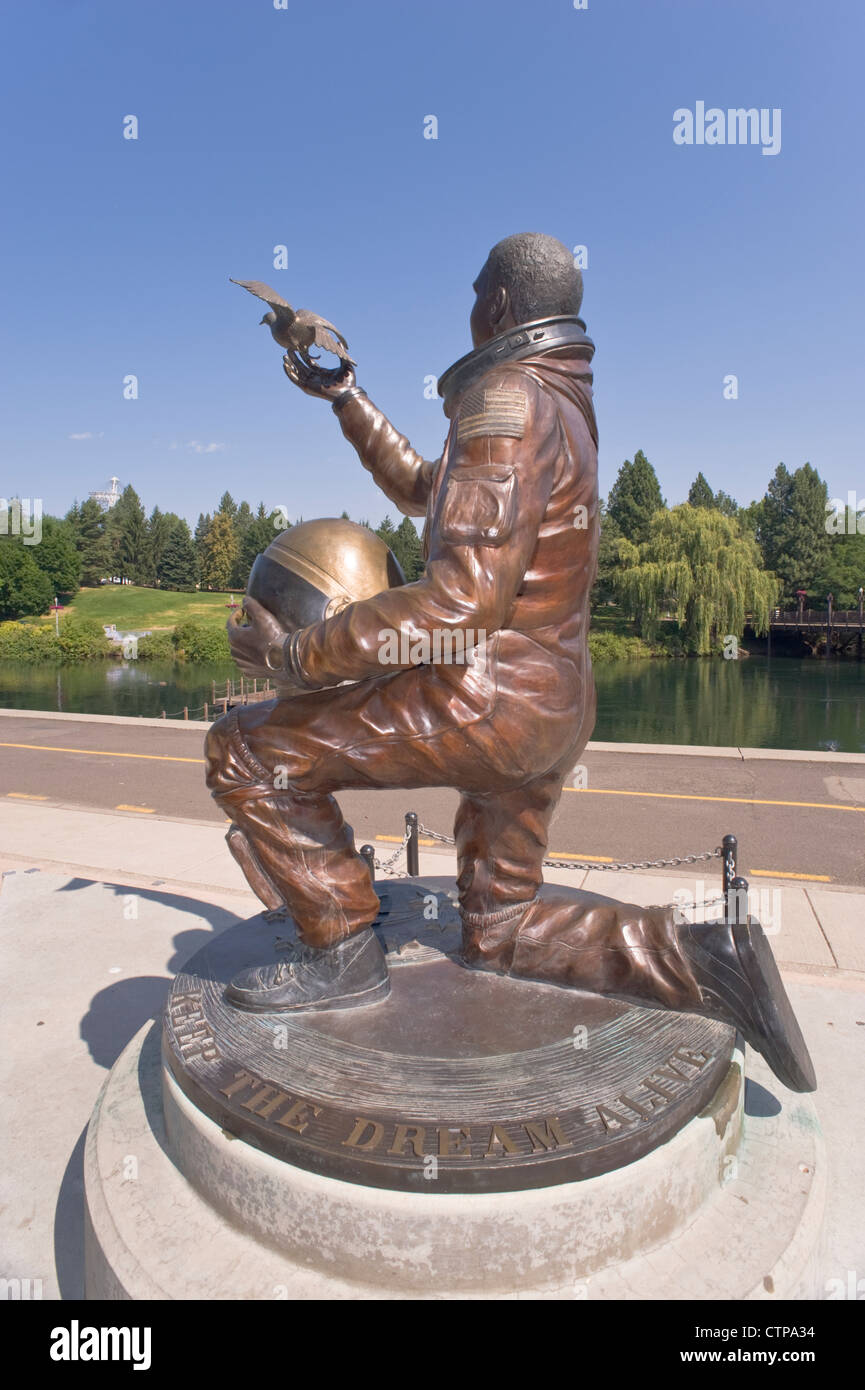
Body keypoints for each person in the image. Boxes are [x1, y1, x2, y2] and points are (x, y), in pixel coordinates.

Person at [205, 232, 814, 1094]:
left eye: (472, 295)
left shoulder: (506, 398)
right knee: (501, 926)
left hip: (481, 700)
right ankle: (704, 959)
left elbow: (462, 603)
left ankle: (340, 955)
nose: (467, 309)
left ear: (495, 305)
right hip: (551, 707)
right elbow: (426, 486)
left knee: (247, 751)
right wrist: (346, 398)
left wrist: (298, 654)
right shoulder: (559, 403)